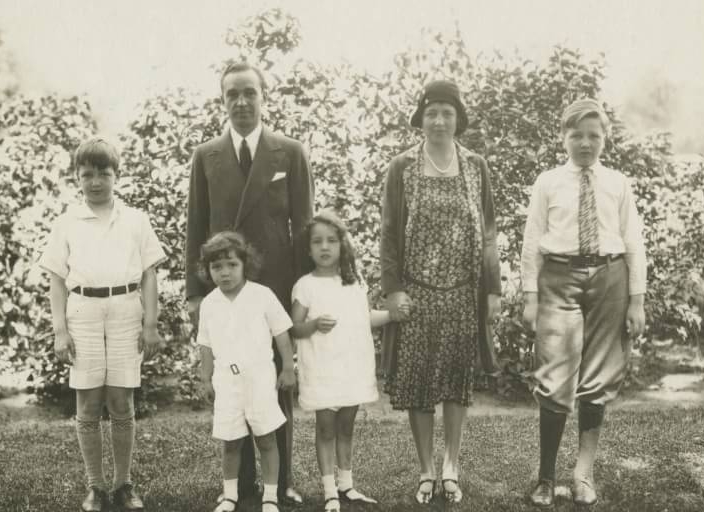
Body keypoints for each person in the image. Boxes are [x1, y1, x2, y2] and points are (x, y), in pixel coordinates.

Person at [185, 61, 314, 505]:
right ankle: (238, 484)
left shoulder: (290, 153)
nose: (241, 102)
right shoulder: (207, 156)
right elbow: (195, 227)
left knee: (277, 382)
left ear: (264, 96)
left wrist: (302, 291)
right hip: (222, 289)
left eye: (249, 93)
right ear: (222, 101)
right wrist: (194, 293)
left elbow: (305, 226)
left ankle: (283, 479)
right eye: (232, 95)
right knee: (232, 380)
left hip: (274, 284)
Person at [379, 79, 502, 505]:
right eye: (431, 113)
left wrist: (492, 291)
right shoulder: (402, 167)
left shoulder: (475, 166)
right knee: (418, 385)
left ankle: (451, 464)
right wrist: (393, 291)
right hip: (417, 293)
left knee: (454, 382)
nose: (439, 121)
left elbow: (488, 234)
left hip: (463, 294)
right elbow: (390, 235)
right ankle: (426, 469)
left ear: (458, 119)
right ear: (421, 119)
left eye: (447, 113)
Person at [520, 98, 647, 508]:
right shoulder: (548, 182)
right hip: (559, 278)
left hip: (610, 279)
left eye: (594, 135)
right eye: (577, 135)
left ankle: (583, 474)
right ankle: (545, 477)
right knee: (555, 380)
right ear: (564, 137)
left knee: (598, 379)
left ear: (605, 139)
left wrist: (636, 301)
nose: (585, 143)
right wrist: (530, 297)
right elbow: (530, 243)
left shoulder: (617, 183)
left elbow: (633, 243)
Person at [39, 137, 167, 512]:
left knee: (121, 400)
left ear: (116, 175)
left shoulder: (136, 219)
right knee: (89, 401)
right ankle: (95, 486)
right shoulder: (66, 222)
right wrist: (60, 331)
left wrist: (151, 323)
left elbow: (149, 274)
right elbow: (57, 281)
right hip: (84, 313)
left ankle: (123, 484)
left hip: (126, 310)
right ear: (77, 178)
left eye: (104, 174)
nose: (96, 182)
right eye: (87, 174)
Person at [289, 210, 399, 512]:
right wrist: (312, 326)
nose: (324, 248)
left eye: (331, 241)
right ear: (308, 248)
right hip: (323, 366)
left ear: (342, 245)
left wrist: (391, 315)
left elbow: (364, 318)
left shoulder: (354, 282)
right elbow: (293, 327)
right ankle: (329, 491)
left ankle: (346, 484)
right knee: (325, 427)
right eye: (317, 242)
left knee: (347, 427)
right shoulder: (305, 285)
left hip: (351, 364)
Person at [196, 231, 297, 512]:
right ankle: (230, 496)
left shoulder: (262, 295)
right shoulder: (209, 304)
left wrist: (288, 367)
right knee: (230, 441)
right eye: (217, 267)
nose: (224, 273)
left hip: (260, 377)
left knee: (266, 437)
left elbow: (282, 334)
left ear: (245, 264)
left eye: (231, 265)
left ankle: (270, 496)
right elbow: (204, 345)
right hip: (226, 379)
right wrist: (205, 379)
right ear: (208, 271)